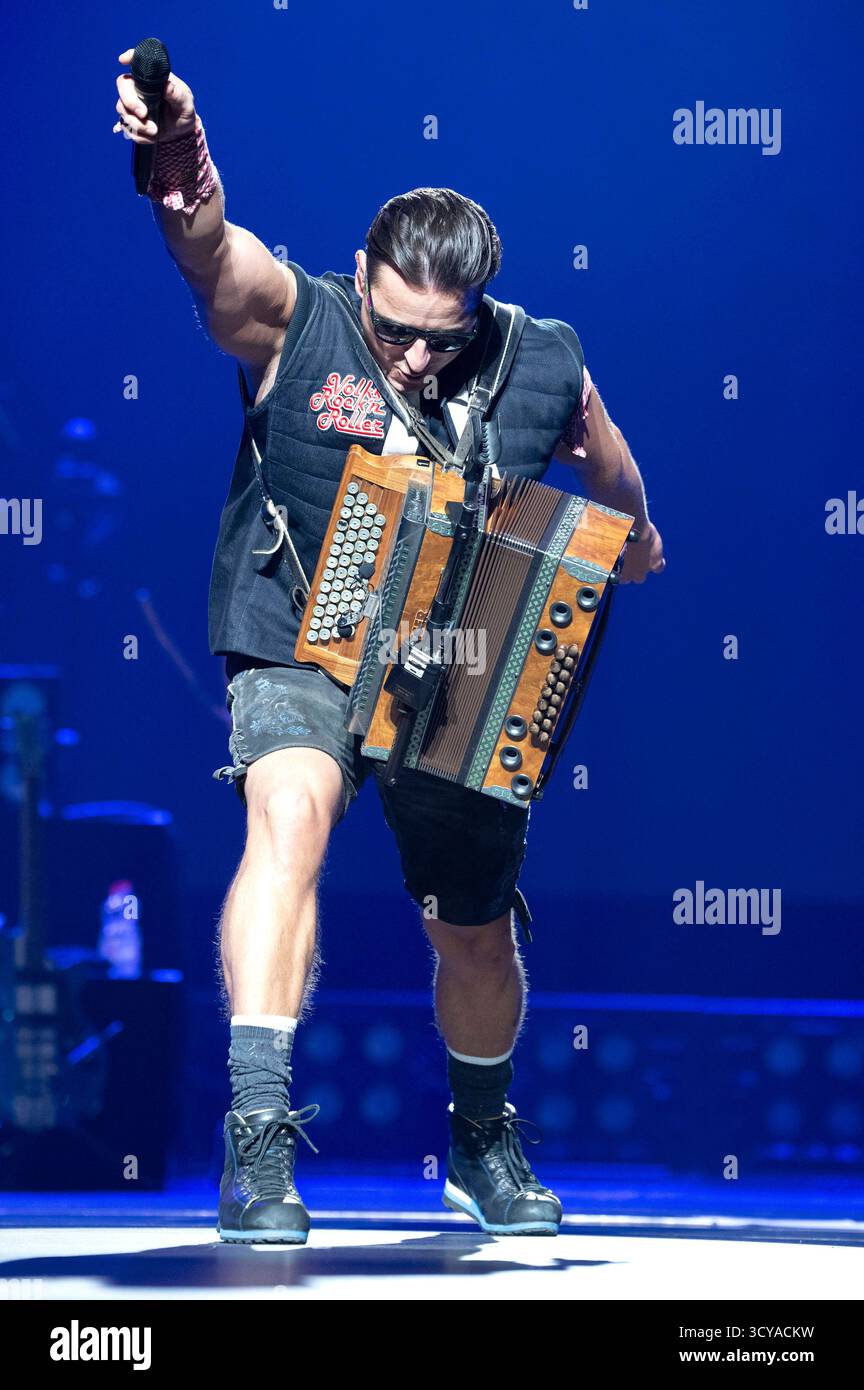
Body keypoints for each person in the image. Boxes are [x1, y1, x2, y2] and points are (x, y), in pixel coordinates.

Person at [114, 48, 665, 1245]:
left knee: (470, 923)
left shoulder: (540, 357)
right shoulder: (297, 317)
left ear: (479, 305)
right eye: (397, 325)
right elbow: (209, 249)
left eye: (440, 333)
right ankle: (257, 1137)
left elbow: (602, 459)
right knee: (290, 817)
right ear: (362, 277)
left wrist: (637, 537)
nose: (414, 354)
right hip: (299, 631)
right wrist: (178, 159)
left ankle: (477, 1134)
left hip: (457, 660)